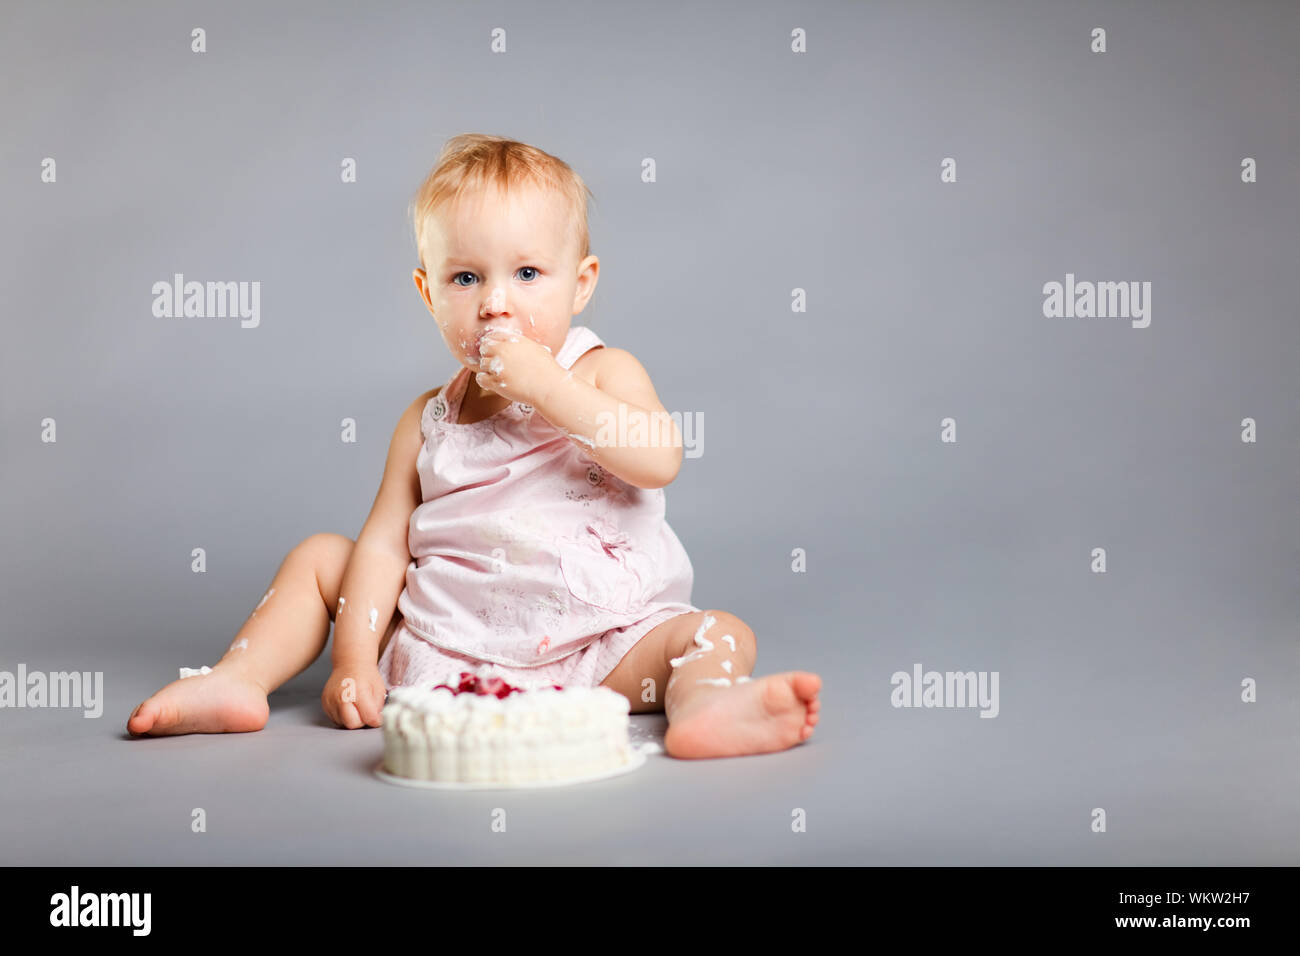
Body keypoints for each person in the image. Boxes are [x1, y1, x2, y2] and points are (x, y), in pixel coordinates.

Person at [127, 134, 821, 758]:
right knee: (321, 558)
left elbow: (658, 456)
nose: (495, 303)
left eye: (526, 274)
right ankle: (237, 680)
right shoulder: (430, 419)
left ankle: (701, 706)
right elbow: (383, 546)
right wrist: (356, 659)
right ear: (429, 295)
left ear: (581, 285)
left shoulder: (604, 372)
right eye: (466, 278)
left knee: (714, 632)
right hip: (447, 649)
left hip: (599, 647)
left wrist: (549, 387)